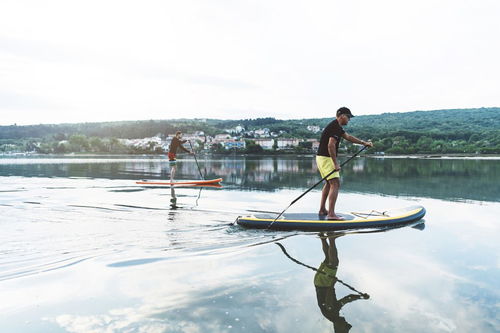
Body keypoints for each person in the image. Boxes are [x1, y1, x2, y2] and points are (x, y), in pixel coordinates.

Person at [316, 107, 373, 220]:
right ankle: (331, 214)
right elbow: (331, 145)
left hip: (321, 157)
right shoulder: (335, 127)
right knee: (335, 184)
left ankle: (323, 210)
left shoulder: (336, 126)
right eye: (348, 117)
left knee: (329, 183)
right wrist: (335, 163)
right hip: (326, 158)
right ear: (341, 116)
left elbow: (348, 137)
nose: (349, 120)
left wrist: (363, 143)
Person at [314, 233, 369, 333]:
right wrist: (360, 297)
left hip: (324, 284)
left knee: (334, 263)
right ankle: (322, 237)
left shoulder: (331, 313)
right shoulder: (334, 314)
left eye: (345, 326)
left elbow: (328, 298)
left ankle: (332, 239)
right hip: (319, 282)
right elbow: (347, 299)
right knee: (328, 259)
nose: (347, 323)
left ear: (338, 328)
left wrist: (332, 284)